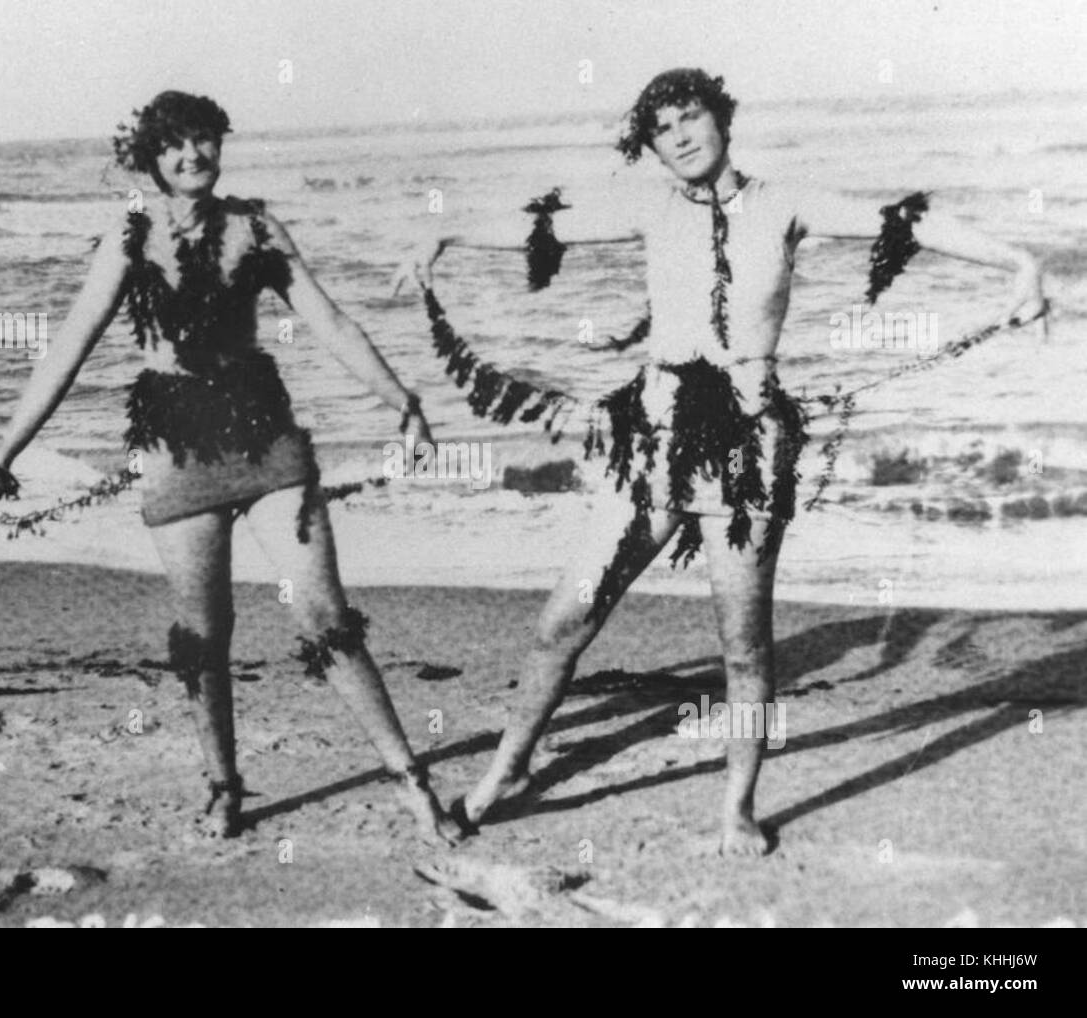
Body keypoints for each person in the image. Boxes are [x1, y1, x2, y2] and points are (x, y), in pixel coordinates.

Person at [400, 68, 1046, 854]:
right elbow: (544, 226)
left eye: (690, 117)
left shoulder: (784, 204)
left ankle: (737, 806)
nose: (679, 136)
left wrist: (1019, 262)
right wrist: (445, 233)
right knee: (564, 619)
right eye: (661, 128)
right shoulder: (650, 207)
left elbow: (904, 221)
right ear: (650, 145)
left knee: (743, 646)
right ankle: (507, 771)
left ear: (721, 118)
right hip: (655, 442)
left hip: (748, 452)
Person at [0, 90, 457, 845]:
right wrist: (4, 454)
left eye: (203, 138)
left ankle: (413, 783)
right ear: (151, 159)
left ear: (220, 145)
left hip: (265, 436)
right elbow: (69, 343)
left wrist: (405, 403)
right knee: (205, 634)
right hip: (174, 446)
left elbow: (329, 320)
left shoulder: (256, 227)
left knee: (326, 617)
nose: (191, 154)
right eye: (173, 144)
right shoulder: (130, 238)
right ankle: (225, 788)